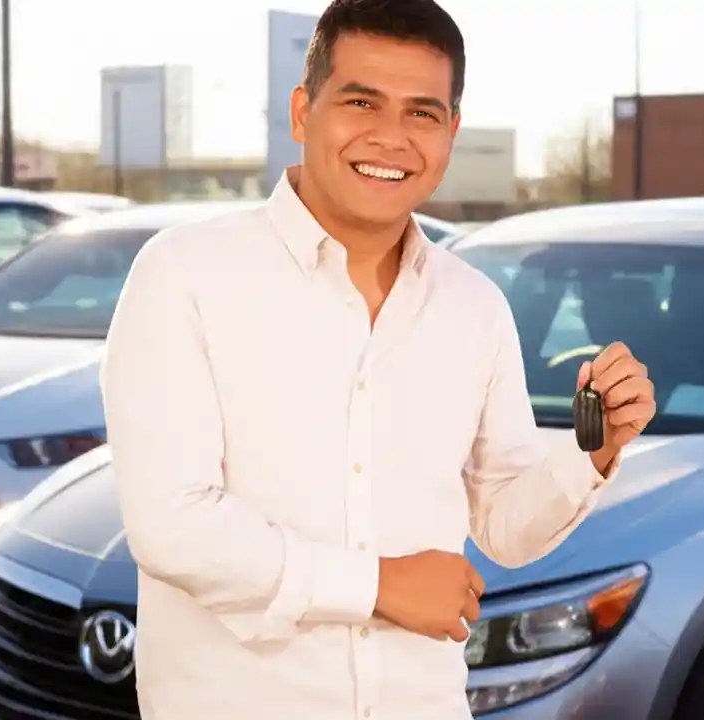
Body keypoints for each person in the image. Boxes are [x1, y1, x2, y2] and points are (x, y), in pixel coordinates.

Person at [99, 0, 656, 718]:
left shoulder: (474, 306)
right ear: (303, 112)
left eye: (422, 113)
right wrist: (379, 585)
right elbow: (174, 527)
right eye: (362, 102)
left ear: (450, 132)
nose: (391, 138)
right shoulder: (184, 275)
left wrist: (595, 448)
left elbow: (506, 529)